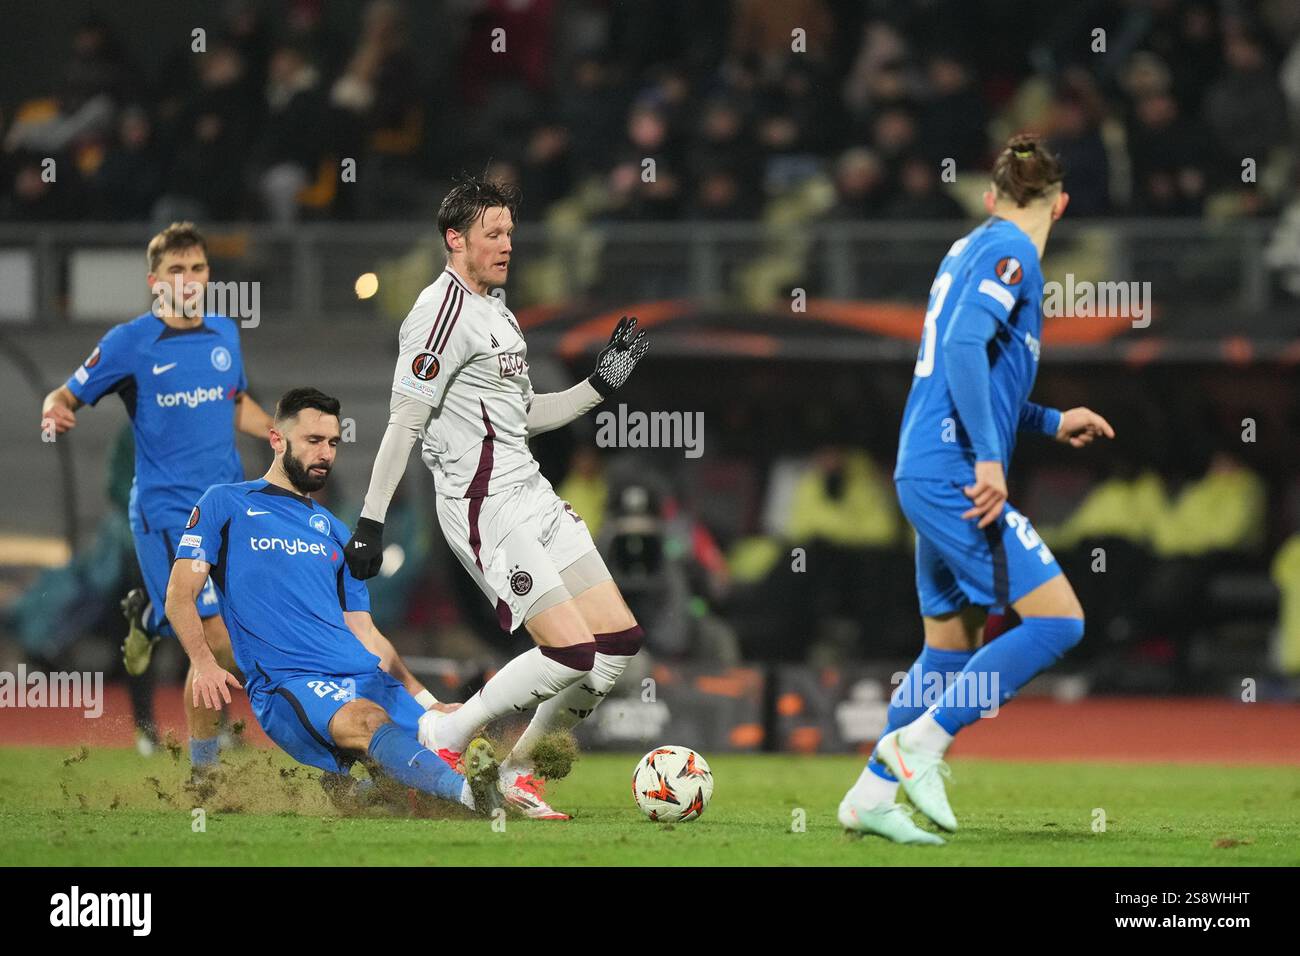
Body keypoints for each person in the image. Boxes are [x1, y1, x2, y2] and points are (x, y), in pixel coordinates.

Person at [344, 176, 650, 819]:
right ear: (455, 240)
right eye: (493, 233)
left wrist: (600, 384)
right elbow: (404, 422)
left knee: (618, 642)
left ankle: (519, 773)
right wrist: (370, 522)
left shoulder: (500, 312)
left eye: (510, 232)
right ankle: (445, 736)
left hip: (532, 491)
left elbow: (519, 415)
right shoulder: (438, 313)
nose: (507, 244)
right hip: (483, 504)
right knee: (571, 651)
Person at [838, 135, 1115, 844]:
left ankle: (870, 795)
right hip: (956, 471)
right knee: (1059, 622)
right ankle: (919, 746)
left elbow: (978, 377)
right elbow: (963, 347)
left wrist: (1052, 421)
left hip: (924, 469)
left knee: (950, 649)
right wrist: (990, 461)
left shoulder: (967, 248)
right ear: (1064, 204)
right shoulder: (1014, 254)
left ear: (991, 197)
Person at [165, 387, 501, 814]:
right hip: (292, 683)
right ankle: (471, 796)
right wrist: (206, 662)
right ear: (277, 440)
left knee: (452, 737)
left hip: (363, 676)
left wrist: (427, 702)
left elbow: (366, 633)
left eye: (333, 443)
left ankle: (373, 793)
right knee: (369, 722)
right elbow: (179, 596)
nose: (325, 453)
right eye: (313, 441)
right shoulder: (224, 504)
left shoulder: (336, 533)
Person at [40, 222, 273, 775]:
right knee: (213, 638)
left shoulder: (223, 332)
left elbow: (235, 401)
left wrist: (279, 433)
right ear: (155, 281)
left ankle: (149, 617)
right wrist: (55, 409)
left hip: (226, 509)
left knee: (226, 632)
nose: (188, 280)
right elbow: (65, 393)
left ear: (208, 276)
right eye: (176, 271)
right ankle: (206, 771)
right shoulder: (129, 343)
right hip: (169, 512)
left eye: (197, 269)